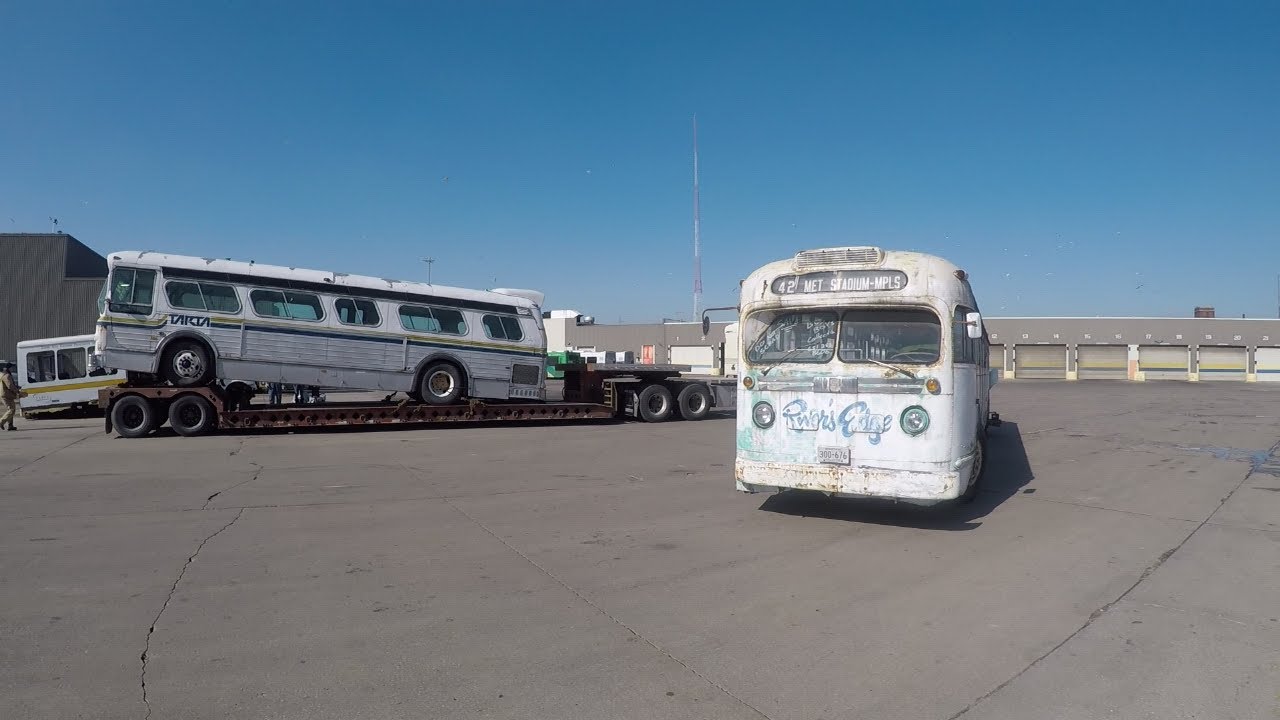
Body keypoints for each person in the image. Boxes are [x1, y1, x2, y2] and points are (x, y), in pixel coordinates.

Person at [1, 363, 22, 431]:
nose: (13, 369)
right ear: (8, 368)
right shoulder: (7, 375)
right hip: (6, 395)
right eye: (11, 367)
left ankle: (10, 425)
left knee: (11, 409)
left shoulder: (3, 374)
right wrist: (17, 391)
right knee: (11, 410)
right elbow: (10, 386)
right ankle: (1, 422)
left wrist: (16, 387)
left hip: (6, 394)